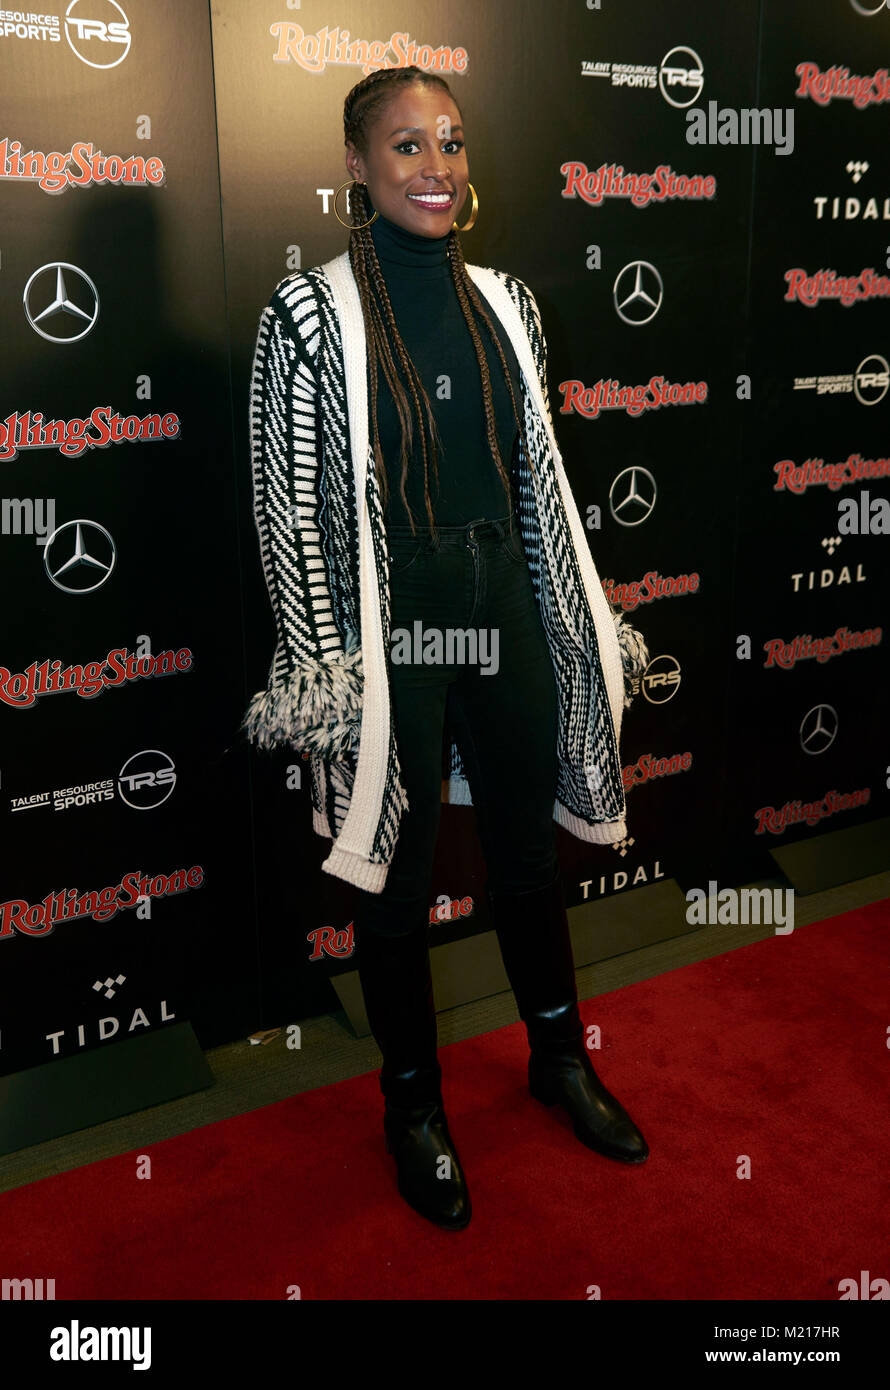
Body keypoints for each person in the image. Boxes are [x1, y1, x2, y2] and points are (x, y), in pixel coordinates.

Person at [243, 65, 651, 1232]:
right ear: (358, 167)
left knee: (524, 848)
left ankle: (558, 1060)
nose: (437, 167)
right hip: (386, 614)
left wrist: (558, 607)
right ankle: (411, 1107)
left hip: (500, 592)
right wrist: (325, 660)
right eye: (408, 145)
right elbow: (286, 505)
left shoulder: (508, 302)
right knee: (397, 869)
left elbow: (539, 484)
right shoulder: (307, 313)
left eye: (452, 143)